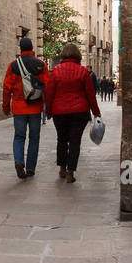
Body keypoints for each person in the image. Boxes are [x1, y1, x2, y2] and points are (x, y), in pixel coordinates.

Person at [44, 42, 98, 182]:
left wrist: (48, 112)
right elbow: (90, 94)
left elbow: (49, 93)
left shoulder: (56, 71)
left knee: (61, 139)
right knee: (75, 141)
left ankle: (62, 167)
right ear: (78, 55)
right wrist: (96, 112)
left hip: (59, 112)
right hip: (80, 112)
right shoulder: (83, 72)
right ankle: (70, 172)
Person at [7, 32, 48, 180]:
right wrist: (47, 108)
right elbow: (46, 87)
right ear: (32, 48)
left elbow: (7, 88)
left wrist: (6, 106)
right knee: (34, 137)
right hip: (35, 108)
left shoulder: (13, 65)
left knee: (19, 136)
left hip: (18, 108)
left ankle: (19, 160)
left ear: (20, 49)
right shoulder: (41, 65)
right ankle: (30, 168)